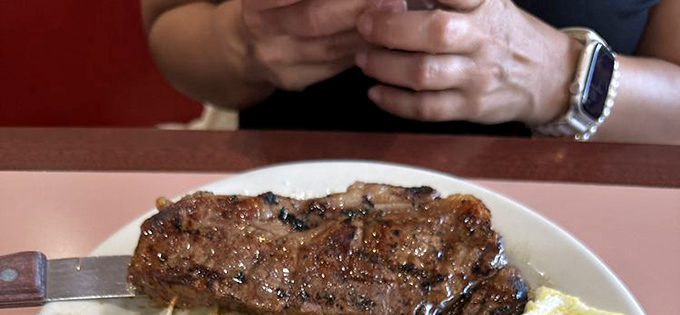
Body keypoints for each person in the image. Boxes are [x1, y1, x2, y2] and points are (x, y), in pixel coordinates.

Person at [141, 0, 680, 142]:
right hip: (281, 212)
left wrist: (561, 75)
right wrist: (242, 42)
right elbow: (170, 24)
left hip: (584, 232)